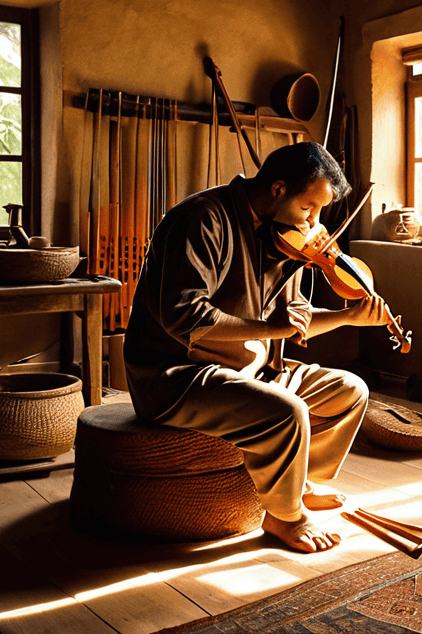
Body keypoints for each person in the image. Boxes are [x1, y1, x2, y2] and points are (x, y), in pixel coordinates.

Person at [123, 142, 389, 553]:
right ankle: (285, 518)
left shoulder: (287, 238)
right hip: (178, 376)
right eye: (309, 209)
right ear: (278, 189)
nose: (314, 223)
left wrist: (347, 316)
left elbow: (293, 321)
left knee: (351, 391)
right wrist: (267, 329)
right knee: (289, 412)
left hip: (251, 369)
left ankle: (296, 483)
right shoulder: (200, 220)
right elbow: (184, 317)